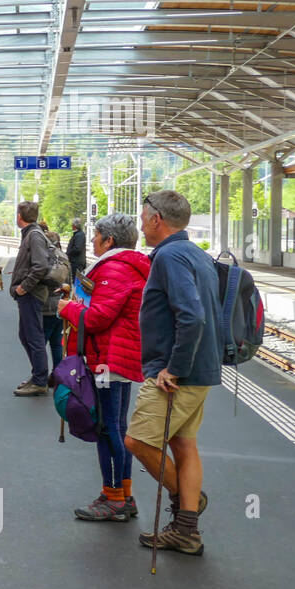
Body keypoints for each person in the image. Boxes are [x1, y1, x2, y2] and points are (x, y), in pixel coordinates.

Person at [124, 190, 219, 556]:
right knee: (183, 444)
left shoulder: (170, 257)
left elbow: (191, 316)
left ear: (156, 219)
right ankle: (186, 531)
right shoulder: (195, 253)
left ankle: (187, 507)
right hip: (201, 368)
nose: (142, 223)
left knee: (139, 441)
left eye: (144, 216)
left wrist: (173, 368)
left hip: (177, 374)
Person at [58, 213, 151, 521]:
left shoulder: (114, 268)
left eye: (96, 235)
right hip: (117, 357)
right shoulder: (128, 266)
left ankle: (113, 498)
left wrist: (68, 308)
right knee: (117, 428)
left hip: (107, 359)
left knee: (108, 429)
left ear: (109, 240)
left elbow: (98, 317)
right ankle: (124, 494)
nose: (93, 240)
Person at [10, 200, 54, 396]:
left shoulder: (34, 236)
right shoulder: (31, 234)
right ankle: (38, 376)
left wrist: (23, 288)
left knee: (34, 337)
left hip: (31, 294)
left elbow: (40, 266)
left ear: (20, 217)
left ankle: (39, 380)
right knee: (26, 335)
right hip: (30, 294)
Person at [43, 231, 65, 371]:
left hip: (46, 307)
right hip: (62, 307)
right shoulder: (64, 257)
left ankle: (40, 377)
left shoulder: (45, 258)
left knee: (40, 344)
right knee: (57, 344)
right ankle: (57, 375)